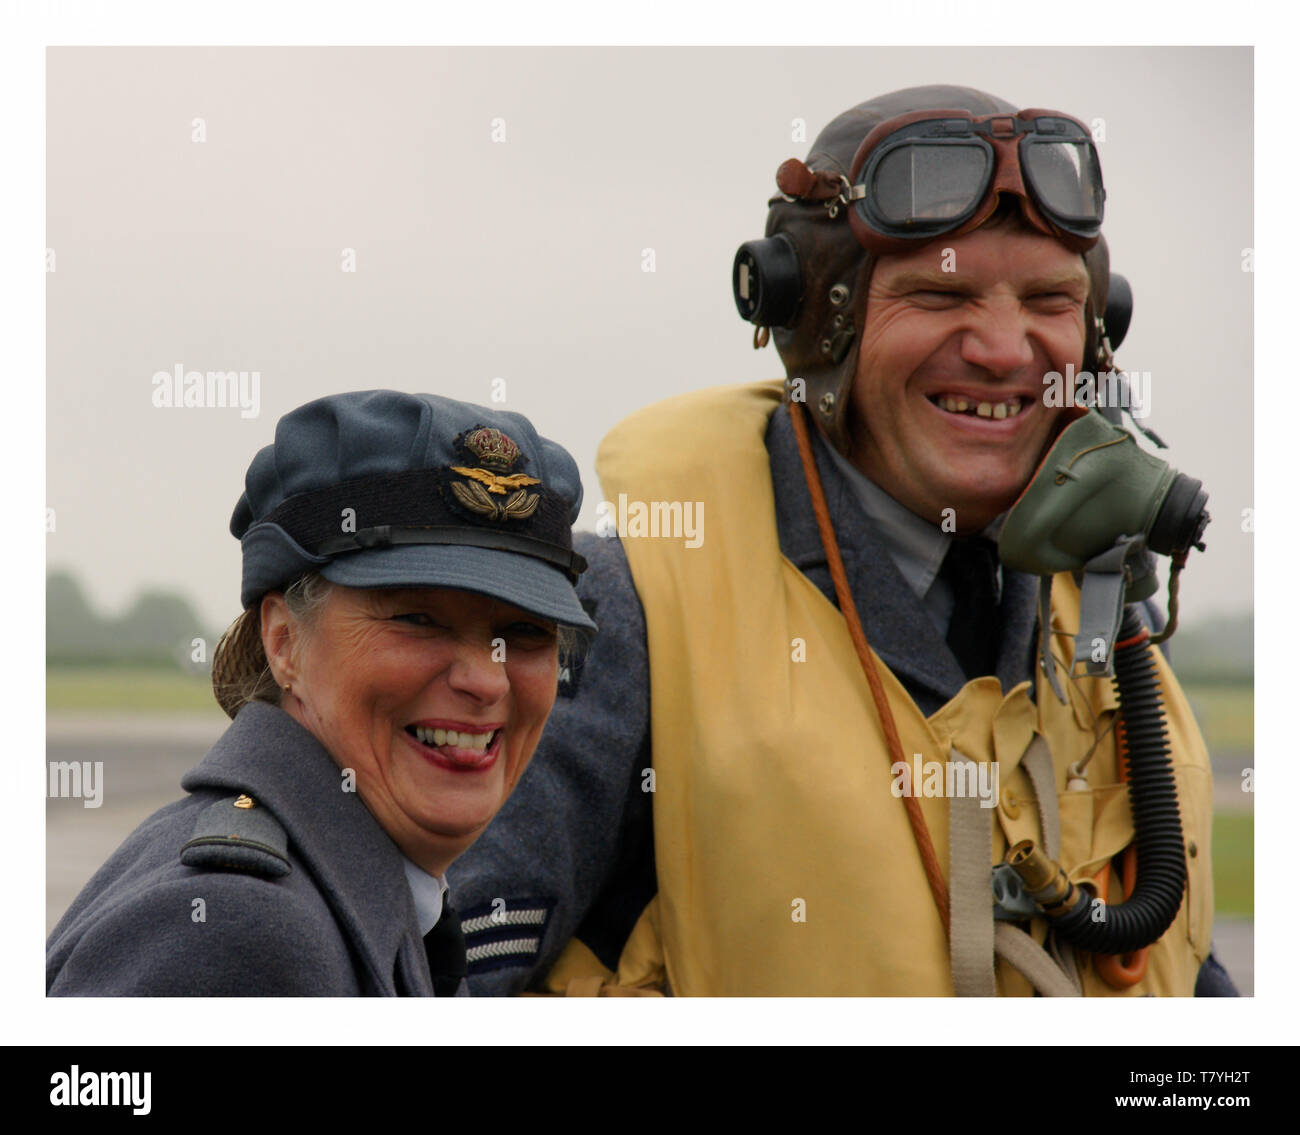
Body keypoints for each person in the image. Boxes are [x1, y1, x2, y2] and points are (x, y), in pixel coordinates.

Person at [446, 85, 1237, 996]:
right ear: (815, 319)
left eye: (1049, 299)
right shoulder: (636, 612)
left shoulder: (1108, 616)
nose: (1004, 347)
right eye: (942, 294)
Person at [46, 389, 596, 996]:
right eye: (417, 619)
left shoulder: (359, 895)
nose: (487, 678)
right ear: (285, 643)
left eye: (523, 632)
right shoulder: (242, 933)